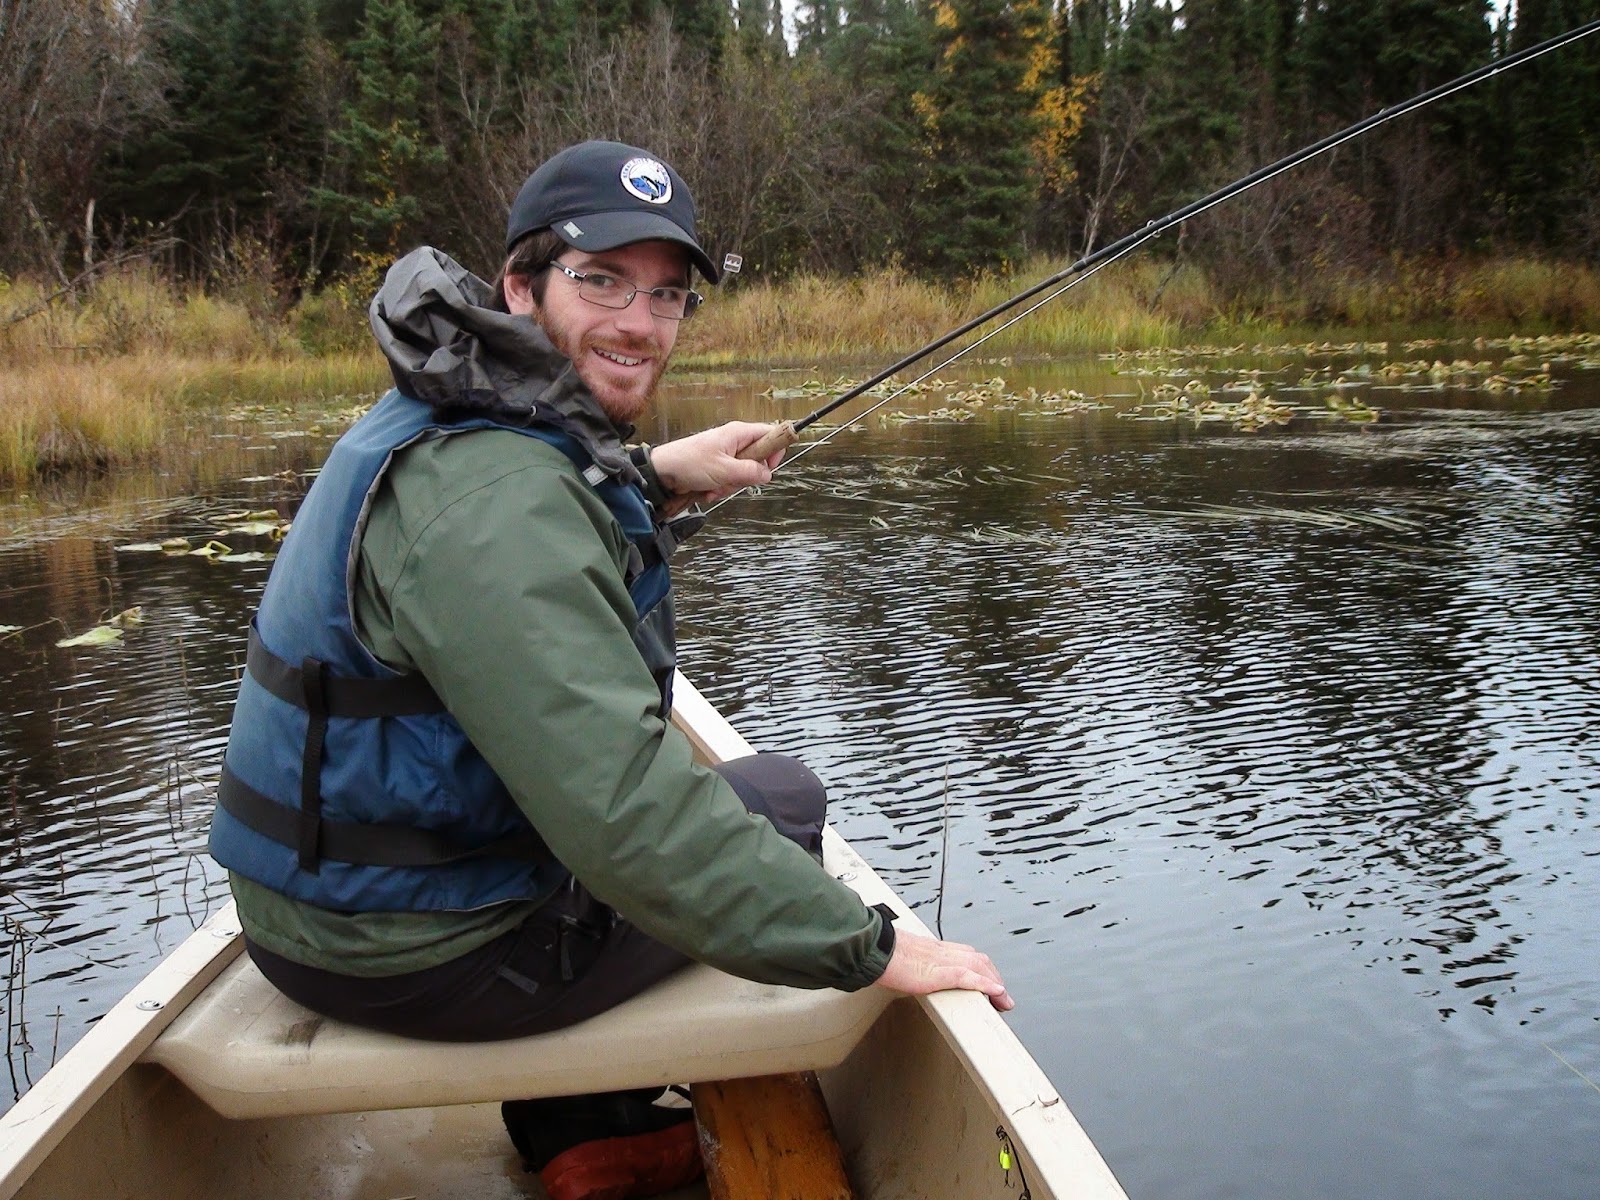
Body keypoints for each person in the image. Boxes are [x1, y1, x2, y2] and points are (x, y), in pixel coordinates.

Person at [207, 140, 1010, 1200]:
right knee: (778, 806)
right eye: (601, 282)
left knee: (750, 806)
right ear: (518, 286)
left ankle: (583, 1126)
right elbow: (626, 813)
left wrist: (658, 477)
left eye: (666, 297)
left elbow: (529, 502)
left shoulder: (450, 407)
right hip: (416, 954)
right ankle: (594, 1134)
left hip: (331, 912)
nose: (638, 324)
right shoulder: (494, 503)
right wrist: (869, 950)